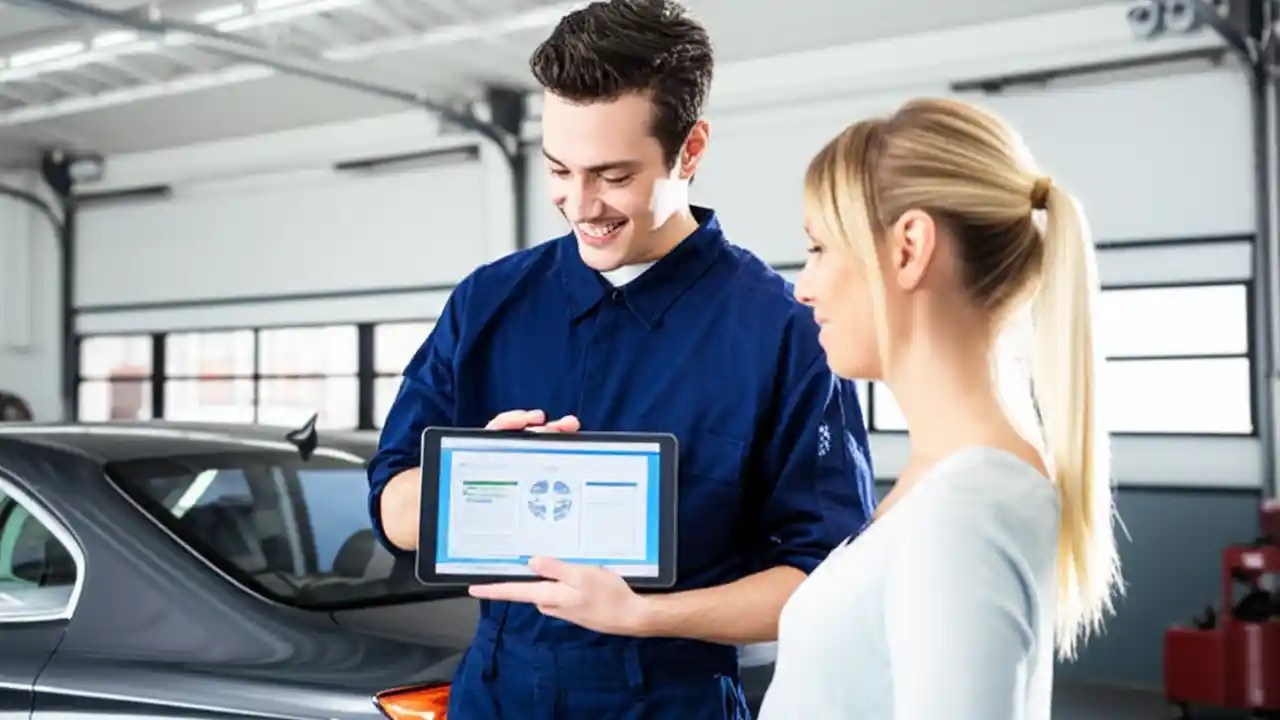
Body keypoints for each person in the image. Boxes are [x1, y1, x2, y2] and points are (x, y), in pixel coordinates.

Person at [367, 1, 877, 718]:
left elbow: (828, 579)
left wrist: (643, 616)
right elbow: (393, 512)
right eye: (558, 170)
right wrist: (474, 476)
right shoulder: (487, 303)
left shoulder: (781, 329)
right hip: (496, 692)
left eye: (612, 176)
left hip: (669, 699)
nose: (581, 205)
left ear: (690, 149)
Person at [757, 97, 1123, 719]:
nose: (803, 285)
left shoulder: (969, 506)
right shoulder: (948, 483)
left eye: (818, 248)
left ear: (908, 248)